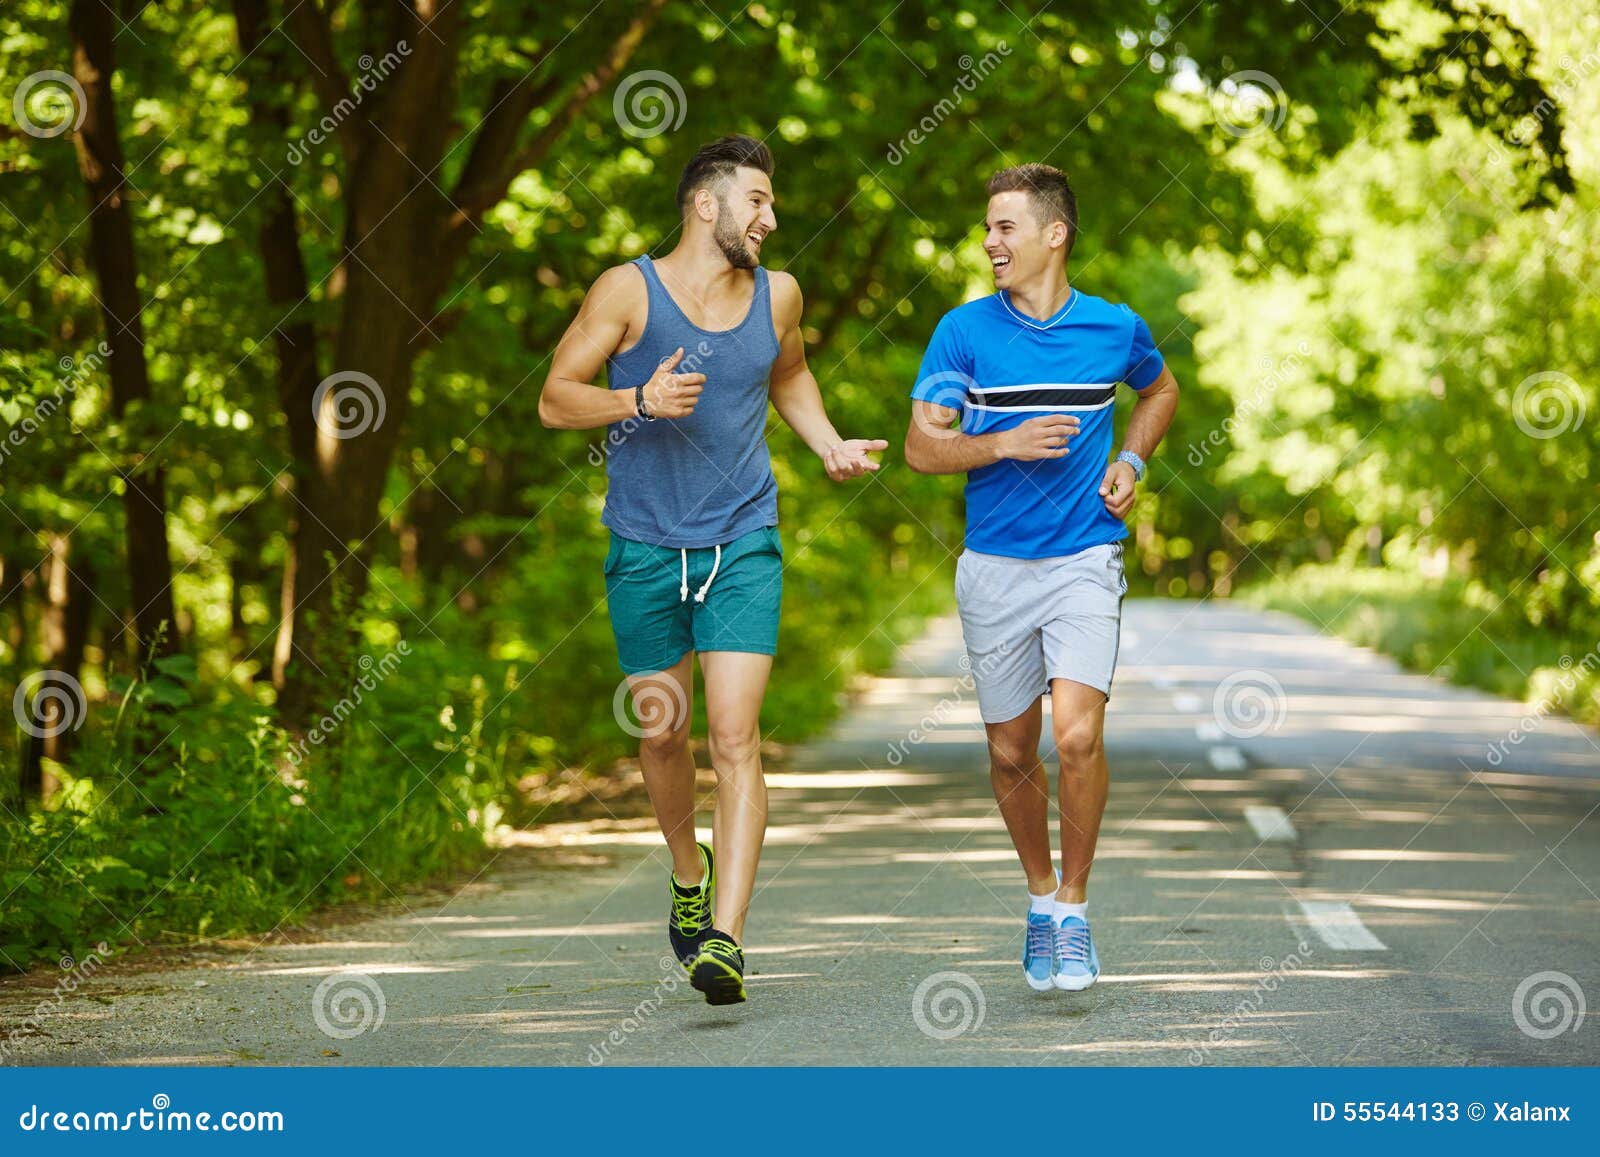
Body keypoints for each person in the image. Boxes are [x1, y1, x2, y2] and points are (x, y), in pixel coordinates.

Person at [539, 134, 885, 1006]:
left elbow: (791, 376)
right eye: (758, 201)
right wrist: (637, 400)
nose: (771, 218)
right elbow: (554, 398)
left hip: (743, 540)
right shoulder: (628, 291)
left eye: (771, 204)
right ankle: (687, 877)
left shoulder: (780, 295)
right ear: (707, 204)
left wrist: (829, 443)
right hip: (646, 544)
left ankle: (724, 938)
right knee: (663, 730)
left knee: (734, 736)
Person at [903, 163, 1180, 992]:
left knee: (1077, 736)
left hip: (1084, 558)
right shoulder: (963, 333)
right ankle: (1035, 894)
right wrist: (999, 443)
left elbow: (1160, 390)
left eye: (1005, 228)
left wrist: (1132, 457)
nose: (990, 242)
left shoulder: (1113, 327)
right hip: (993, 566)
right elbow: (922, 448)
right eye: (987, 228)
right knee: (1010, 749)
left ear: (1054, 234)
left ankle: (1074, 908)